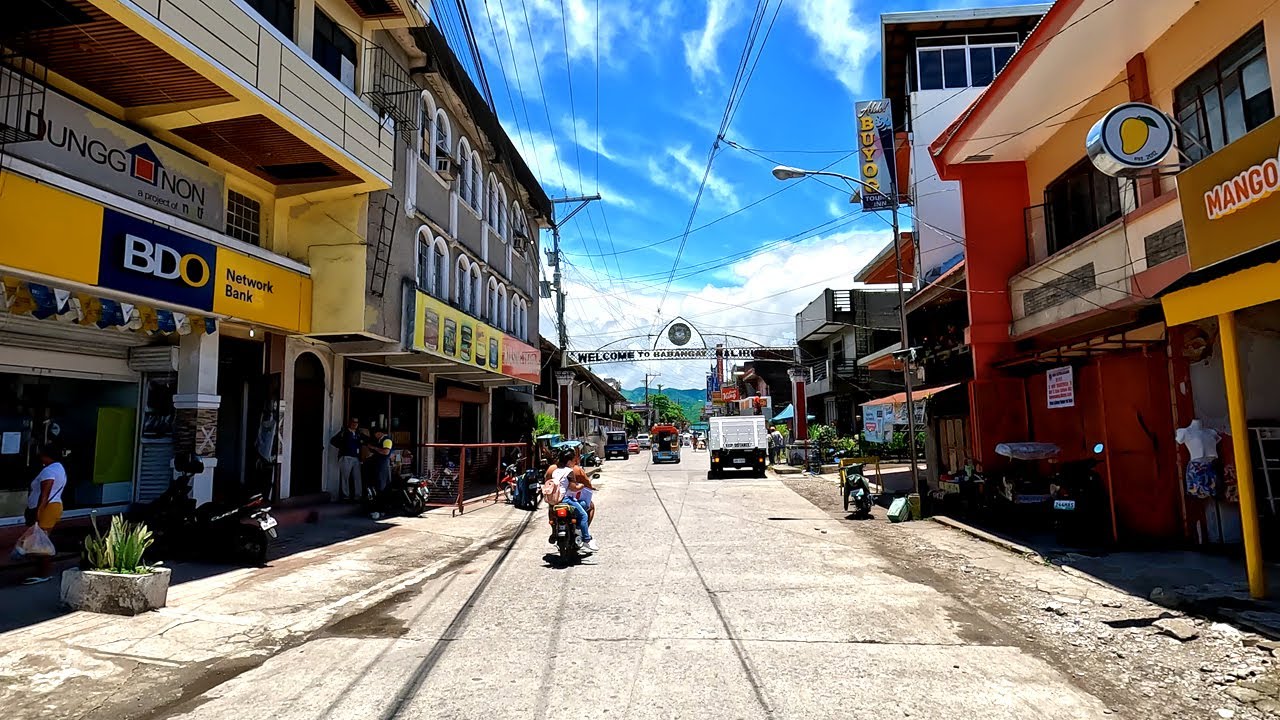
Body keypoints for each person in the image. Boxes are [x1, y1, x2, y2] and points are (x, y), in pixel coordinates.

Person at [22, 444, 67, 584]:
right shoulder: (59, 468)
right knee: (40, 541)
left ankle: (43, 573)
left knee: (42, 542)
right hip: (53, 506)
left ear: (46, 456)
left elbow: (45, 493)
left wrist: (38, 512)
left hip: (47, 508)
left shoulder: (49, 471)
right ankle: (41, 570)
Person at [545, 446, 598, 552]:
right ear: (569, 461)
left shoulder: (553, 470)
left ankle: (554, 532)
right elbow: (574, 487)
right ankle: (586, 539)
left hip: (555, 500)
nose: (575, 462)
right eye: (574, 460)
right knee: (584, 514)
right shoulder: (571, 471)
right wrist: (582, 486)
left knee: (551, 510)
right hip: (566, 499)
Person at [330, 418, 363, 502]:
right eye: (353, 422)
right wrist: (342, 447)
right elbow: (333, 441)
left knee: (357, 477)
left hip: (356, 457)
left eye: (356, 422)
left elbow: (366, 441)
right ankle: (346, 495)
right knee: (345, 477)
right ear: (349, 423)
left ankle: (358, 495)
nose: (355, 424)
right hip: (346, 457)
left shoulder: (358, 433)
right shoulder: (344, 432)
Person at [365, 427, 393, 497]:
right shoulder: (380, 441)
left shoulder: (387, 440)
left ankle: (383, 499)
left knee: (382, 482)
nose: (375, 436)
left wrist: (374, 448)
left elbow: (386, 452)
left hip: (383, 464)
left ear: (379, 433)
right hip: (379, 464)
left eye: (375, 434)